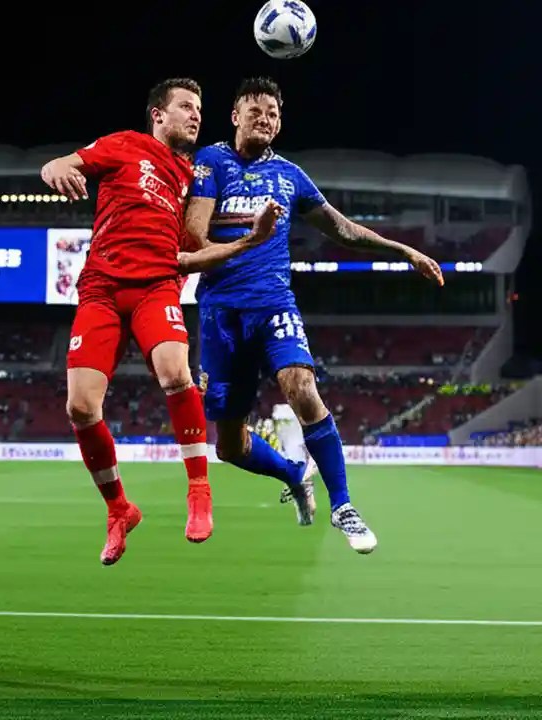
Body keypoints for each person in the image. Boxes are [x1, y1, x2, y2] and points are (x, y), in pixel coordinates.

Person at [185, 77, 444, 554]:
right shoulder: (210, 163)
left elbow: (343, 229)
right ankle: (292, 471)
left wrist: (403, 249)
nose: (265, 118)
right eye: (256, 109)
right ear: (235, 115)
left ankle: (343, 505)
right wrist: (247, 238)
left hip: (273, 305)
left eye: (274, 113)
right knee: (228, 446)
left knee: (302, 387)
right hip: (220, 313)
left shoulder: (290, 176)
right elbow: (193, 239)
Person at [41, 77, 283, 566]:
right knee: (80, 408)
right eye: (186, 107)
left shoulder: (193, 175)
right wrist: (55, 170)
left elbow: (195, 248)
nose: (196, 115)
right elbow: (64, 163)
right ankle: (119, 511)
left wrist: (249, 242)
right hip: (101, 289)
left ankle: (199, 491)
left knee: (176, 370)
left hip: (157, 286)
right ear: (158, 114)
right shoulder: (124, 145)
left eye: (199, 108)